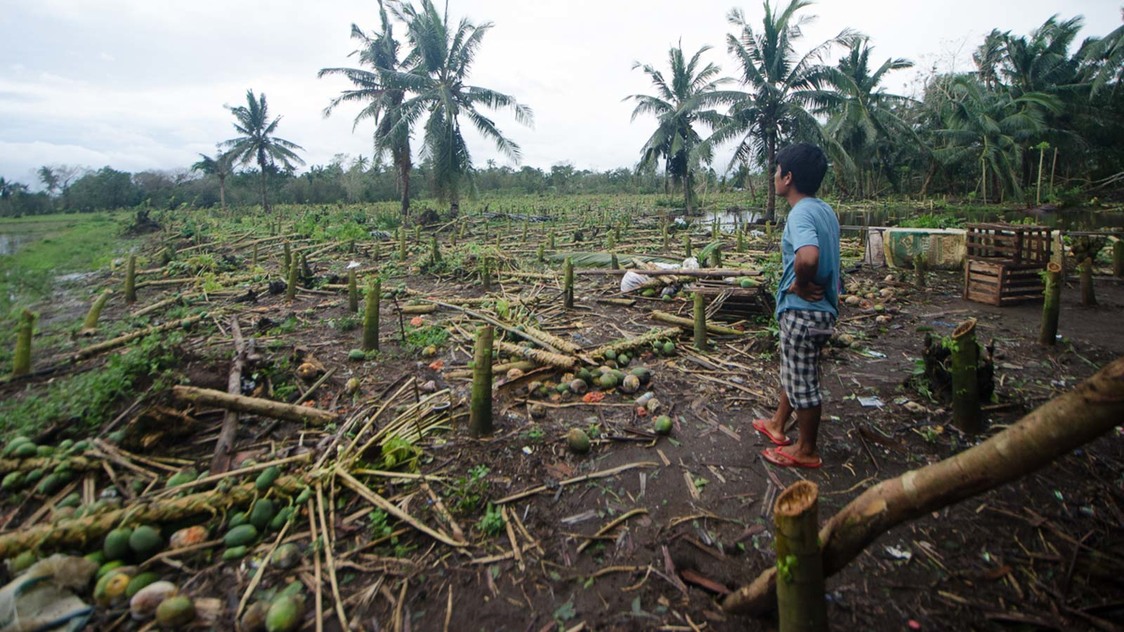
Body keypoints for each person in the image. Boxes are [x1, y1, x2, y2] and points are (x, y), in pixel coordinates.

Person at [753, 143, 840, 469]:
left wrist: (801, 283)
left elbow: (808, 256)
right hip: (820, 312)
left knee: (803, 382)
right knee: (797, 371)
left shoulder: (800, 213)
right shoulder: (823, 210)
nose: (773, 177)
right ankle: (777, 425)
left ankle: (806, 449)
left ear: (787, 178)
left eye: (776, 171)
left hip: (803, 312)